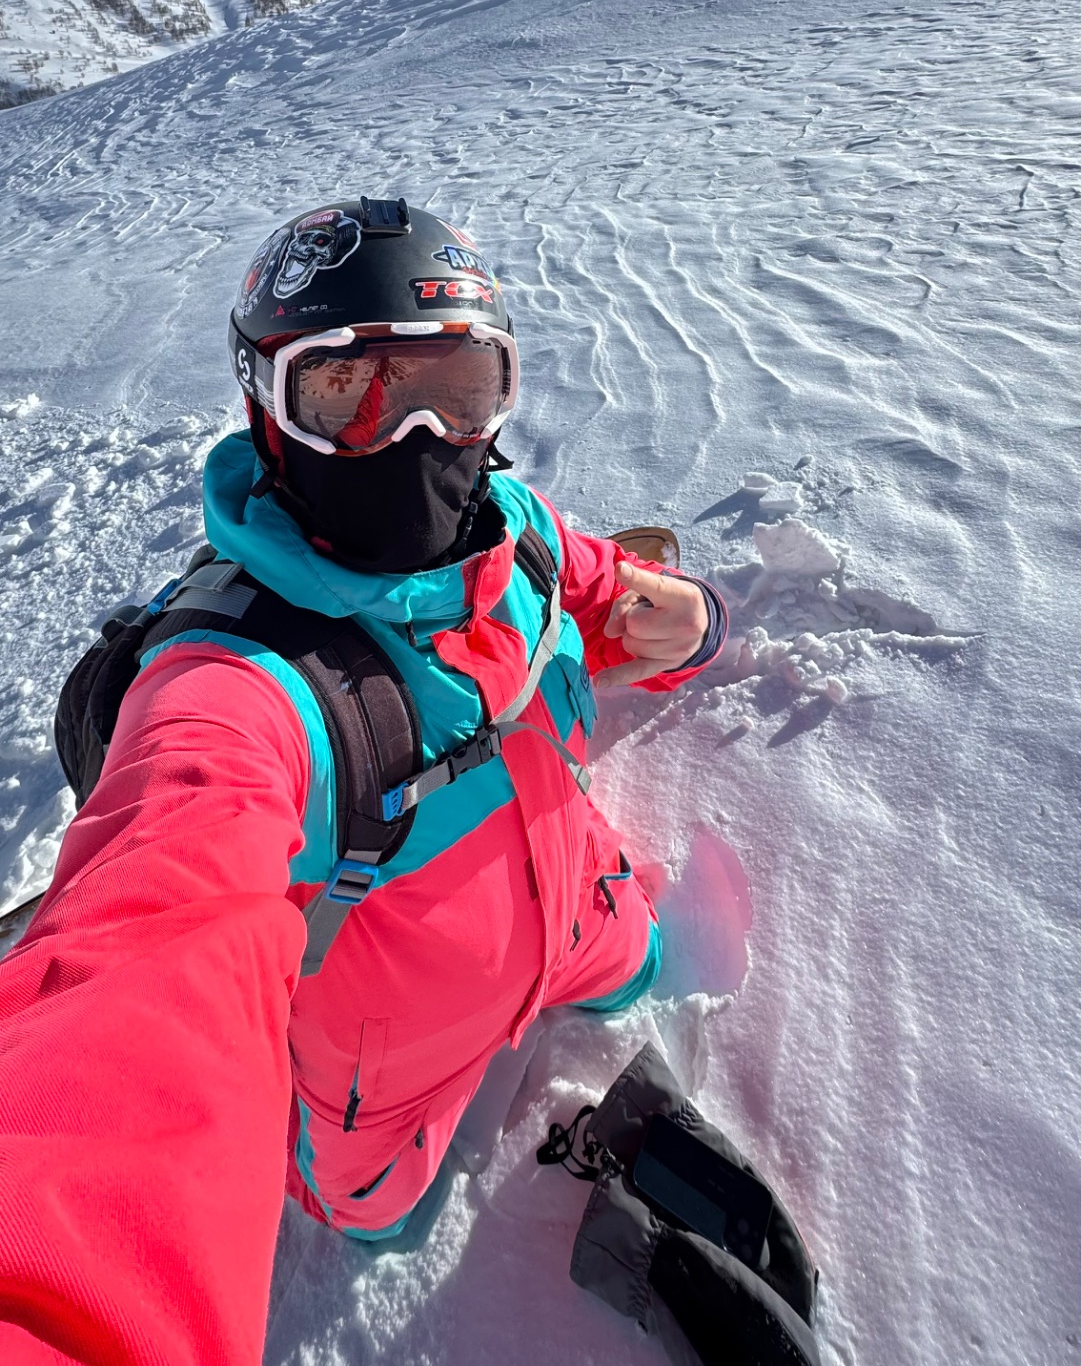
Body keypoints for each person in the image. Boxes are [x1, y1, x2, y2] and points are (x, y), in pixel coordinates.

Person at [0, 198, 726, 1366]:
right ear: (267, 407)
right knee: (387, 1216)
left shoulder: (516, 534)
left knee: (640, 966)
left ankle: (609, 976)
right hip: (381, 1083)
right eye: (347, 394)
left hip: (581, 907)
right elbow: (138, 992)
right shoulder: (237, 697)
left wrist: (685, 620)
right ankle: (368, 1211)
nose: (420, 438)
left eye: (460, 388)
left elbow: (590, 587)